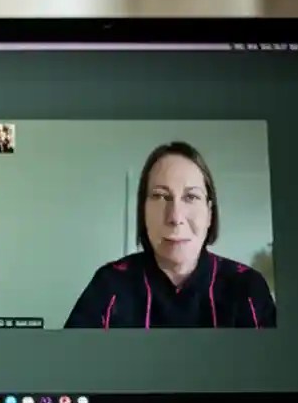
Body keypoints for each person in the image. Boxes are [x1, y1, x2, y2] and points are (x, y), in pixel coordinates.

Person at [63, 141, 277, 329]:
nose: (175, 217)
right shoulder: (109, 285)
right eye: (160, 196)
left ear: (210, 213)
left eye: (191, 197)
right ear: (143, 210)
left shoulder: (248, 288)